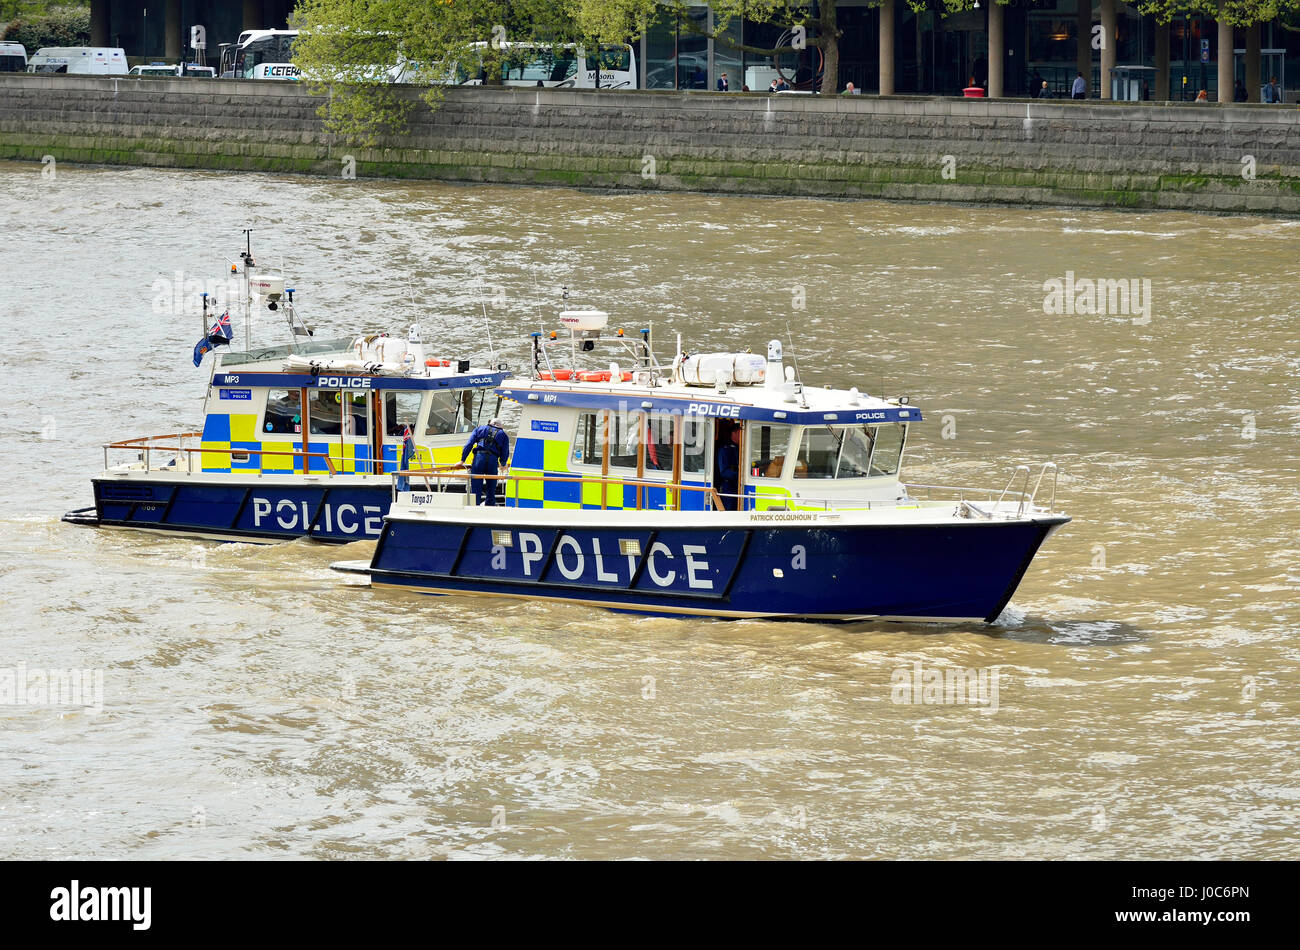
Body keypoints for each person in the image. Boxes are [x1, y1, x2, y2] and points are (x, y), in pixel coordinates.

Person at [461, 417, 510, 507]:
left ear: (490, 423)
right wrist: (503, 464)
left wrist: (462, 460)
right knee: (491, 488)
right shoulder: (503, 435)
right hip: (493, 461)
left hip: (479, 459)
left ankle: (475, 507)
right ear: (500, 425)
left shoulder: (479, 429)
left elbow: (469, 444)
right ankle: (489, 507)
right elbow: (505, 451)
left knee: (476, 487)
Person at [715, 425, 741, 511]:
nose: (742, 435)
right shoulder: (724, 449)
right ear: (734, 433)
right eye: (740, 432)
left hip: (737, 485)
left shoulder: (741, 448)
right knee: (729, 510)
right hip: (728, 487)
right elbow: (724, 472)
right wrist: (739, 476)